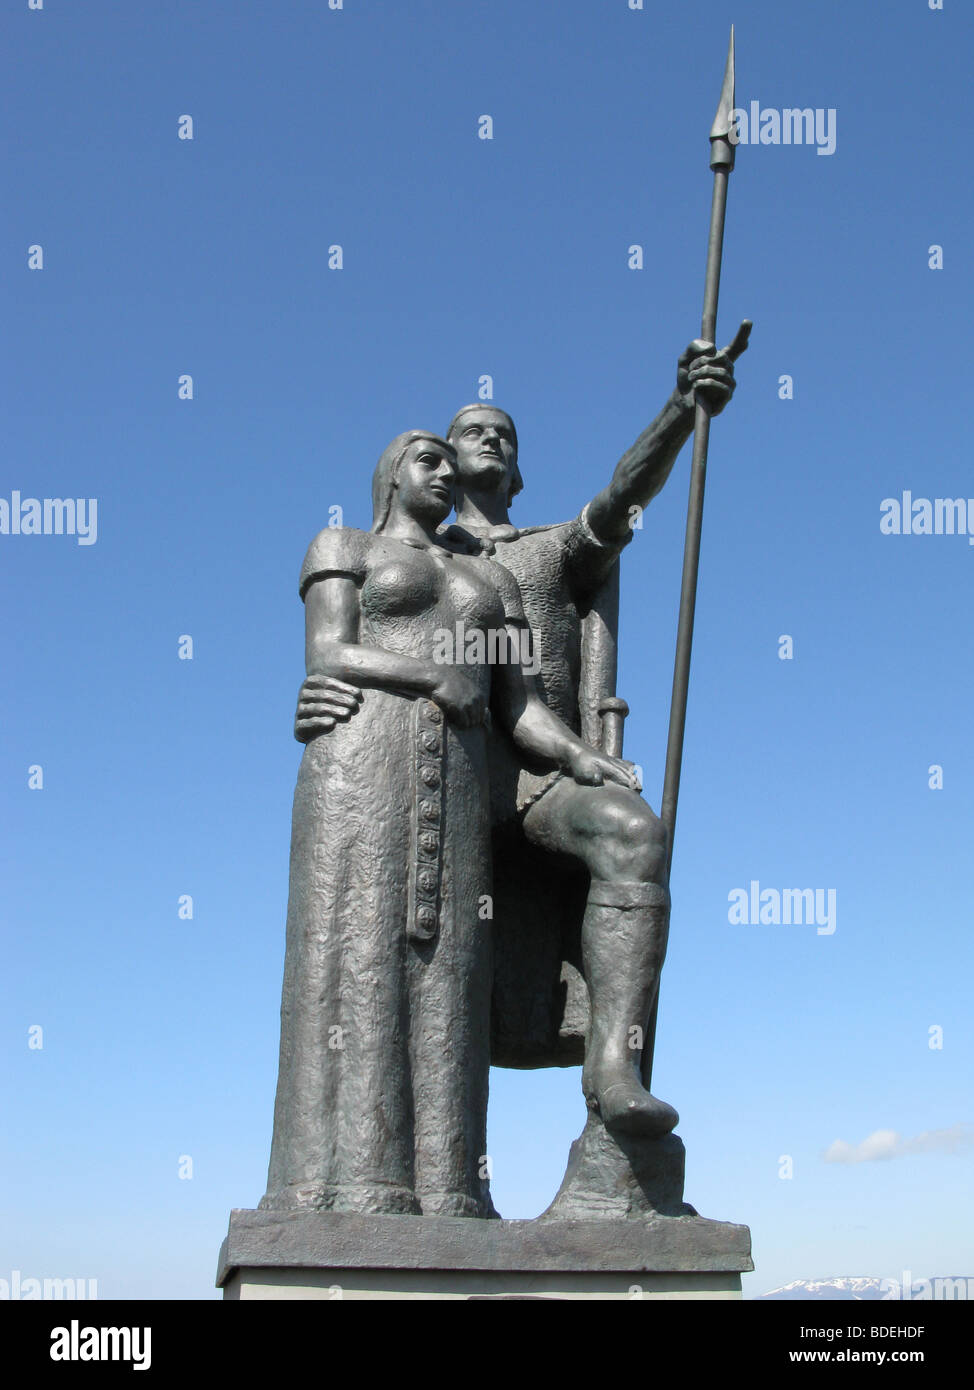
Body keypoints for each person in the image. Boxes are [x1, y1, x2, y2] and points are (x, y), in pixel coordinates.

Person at [295, 336, 742, 1140]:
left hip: (528, 773)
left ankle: (614, 1070)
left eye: (504, 431)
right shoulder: (388, 553)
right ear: (420, 463)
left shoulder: (540, 553)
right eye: (469, 431)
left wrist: (683, 410)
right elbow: (341, 643)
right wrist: (328, 689)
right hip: (428, 767)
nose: (490, 437)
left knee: (634, 834)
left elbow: (621, 498)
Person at [262, 429, 636, 1219]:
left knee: (450, 973)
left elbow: (520, 705)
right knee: (355, 953)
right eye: (426, 459)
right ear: (391, 476)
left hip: (460, 787)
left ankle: (451, 1191)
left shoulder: (487, 582)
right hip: (362, 762)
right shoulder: (344, 544)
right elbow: (329, 650)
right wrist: (433, 673)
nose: (444, 470)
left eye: (447, 459)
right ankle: (338, 1193)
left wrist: (581, 758)